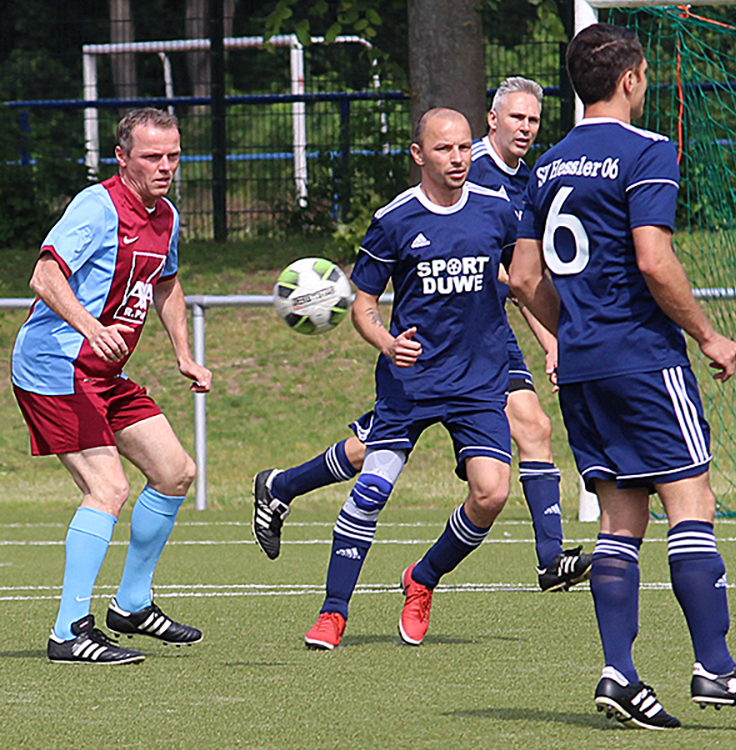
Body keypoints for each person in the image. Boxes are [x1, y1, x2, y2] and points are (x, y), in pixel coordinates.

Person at [509, 24, 736, 729]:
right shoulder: (648, 151)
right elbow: (654, 259)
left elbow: (521, 276)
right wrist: (708, 335)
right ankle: (716, 667)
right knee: (691, 502)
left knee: (619, 520)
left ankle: (619, 674)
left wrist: (571, 326)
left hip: (581, 368)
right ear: (633, 78)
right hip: (642, 358)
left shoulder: (544, 168)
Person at [251, 77, 591, 596]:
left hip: (484, 336)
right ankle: (284, 487)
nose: (526, 128)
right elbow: (490, 267)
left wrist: (550, 340)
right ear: (492, 121)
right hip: (435, 342)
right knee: (376, 452)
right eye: (516, 118)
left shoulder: (524, 183)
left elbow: (516, 274)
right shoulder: (462, 168)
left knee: (533, 426)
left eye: (534, 120)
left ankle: (549, 559)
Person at [298, 107, 521, 651]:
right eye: (445, 149)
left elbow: (522, 281)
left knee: (491, 495)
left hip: (477, 381)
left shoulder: (498, 211)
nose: (459, 158)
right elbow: (363, 302)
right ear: (419, 155)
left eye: (466, 147)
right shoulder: (394, 219)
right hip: (410, 382)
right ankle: (333, 612)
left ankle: (423, 577)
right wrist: (386, 342)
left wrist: (554, 340)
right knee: (371, 490)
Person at [12, 108, 211, 665]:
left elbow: (166, 283)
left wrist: (184, 355)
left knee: (175, 472)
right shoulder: (96, 207)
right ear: (122, 157)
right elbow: (44, 276)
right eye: (152, 157)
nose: (165, 166)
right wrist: (90, 326)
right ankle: (68, 630)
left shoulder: (166, 216)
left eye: (173, 155)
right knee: (108, 489)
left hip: (103, 372)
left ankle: (131, 604)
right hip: (55, 364)